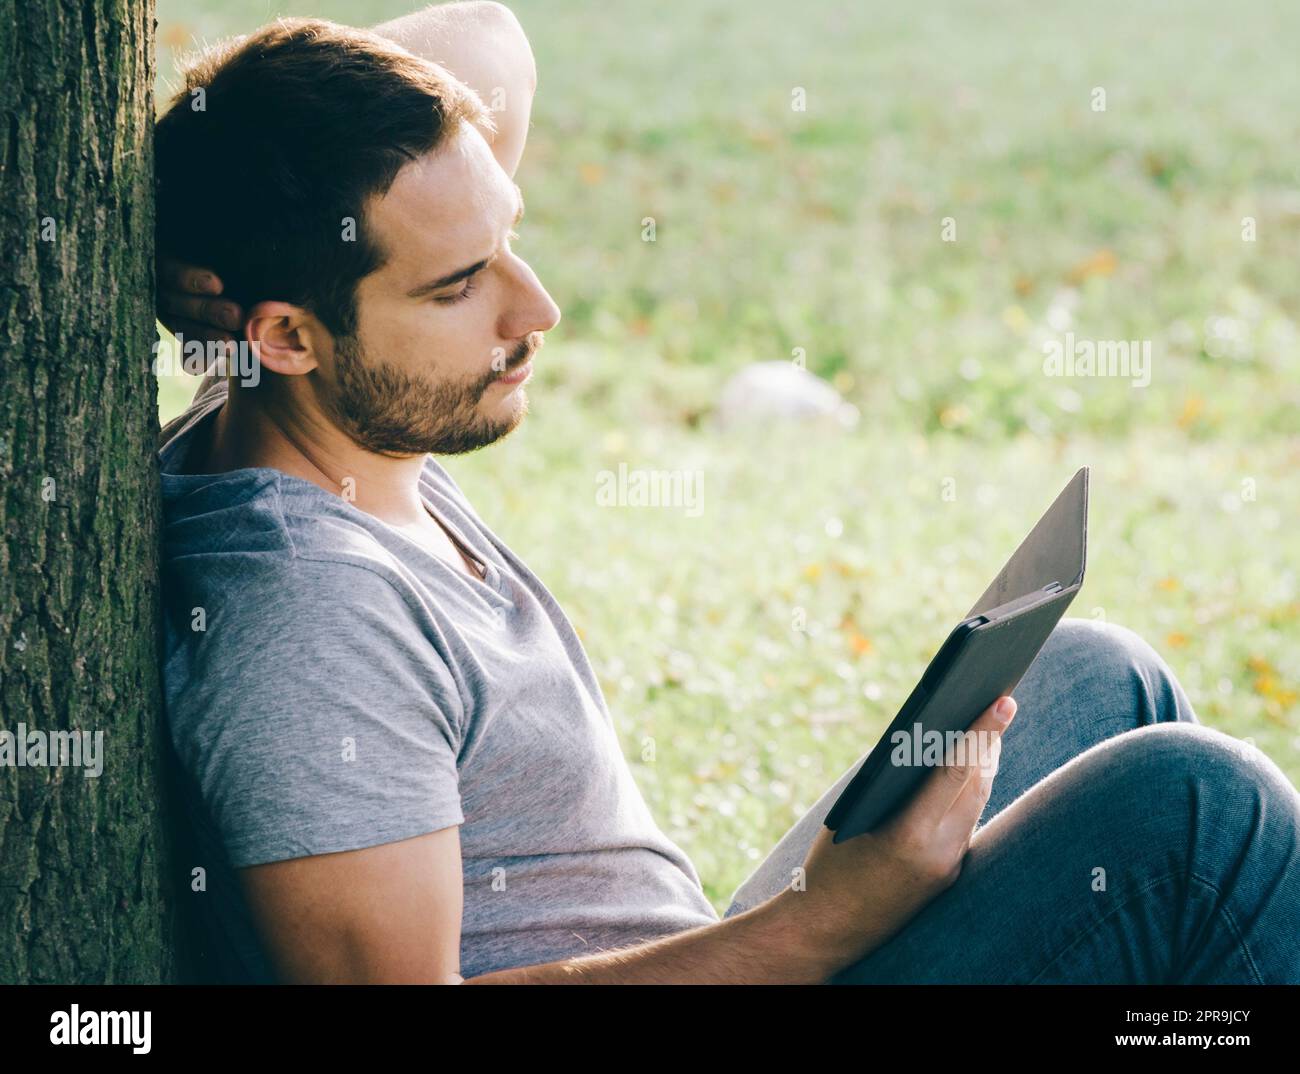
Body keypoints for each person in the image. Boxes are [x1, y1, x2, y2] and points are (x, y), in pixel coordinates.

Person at [154, 3, 1300, 985]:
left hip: (711, 953)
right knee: (1200, 812)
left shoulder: (311, 400)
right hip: (763, 961)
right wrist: (820, 922)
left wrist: (172, 224)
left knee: (1099, 674)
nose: (535, 309)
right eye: (461, 286)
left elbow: (481, 39)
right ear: (290, 336)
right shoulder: (310, 626)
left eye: (513, 238)